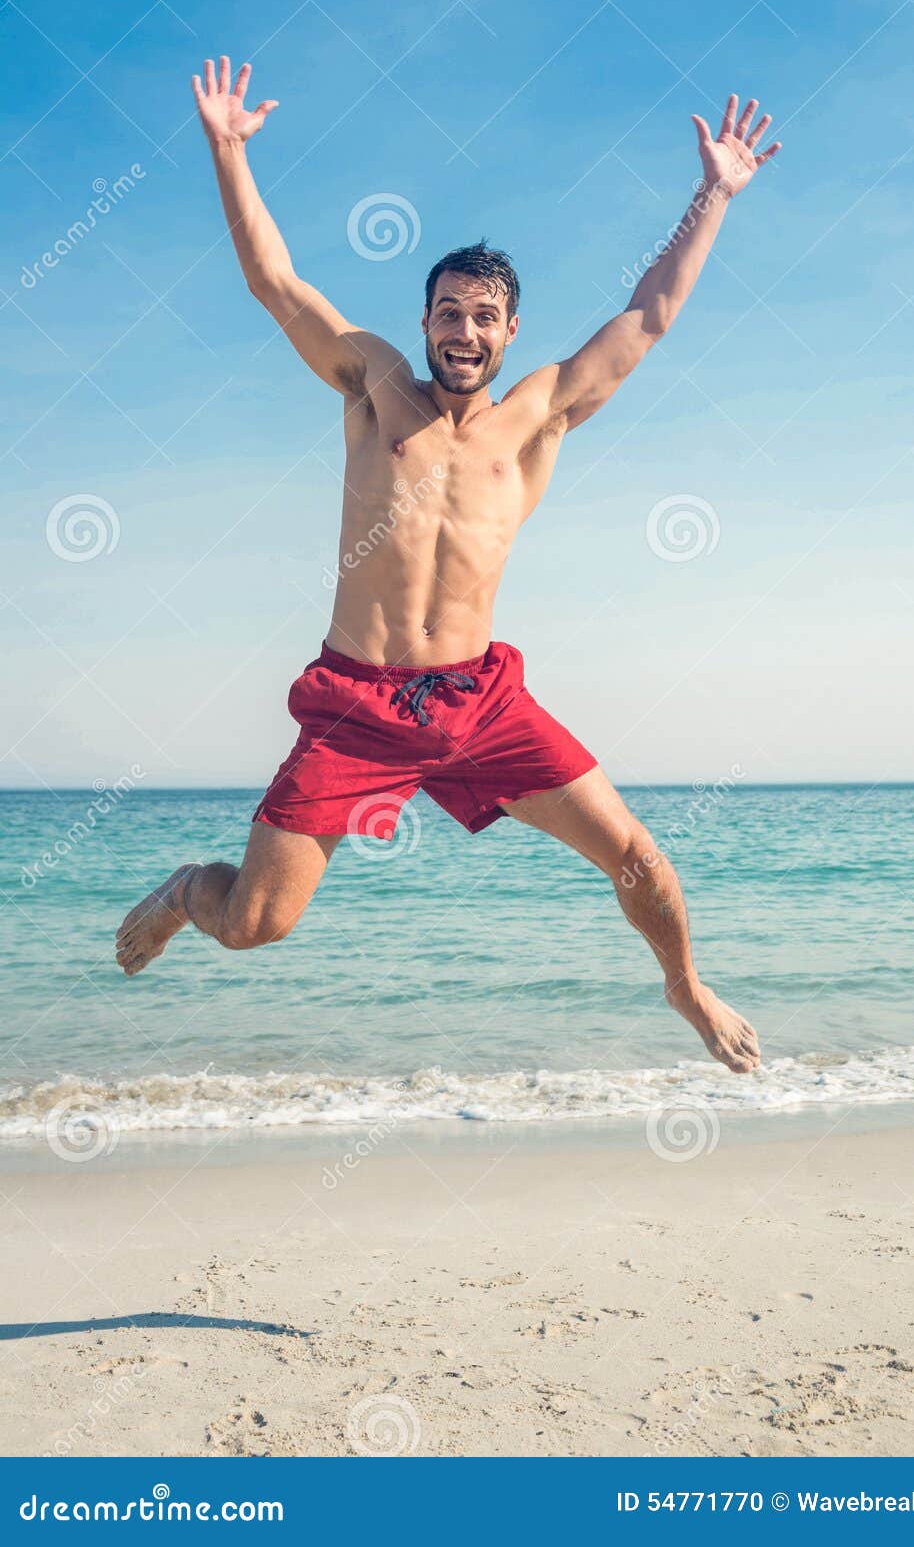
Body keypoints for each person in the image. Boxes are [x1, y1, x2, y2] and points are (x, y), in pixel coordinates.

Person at [116, 56, 781, 1076]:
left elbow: (648, 315)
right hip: (357, 702)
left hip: (476, 700)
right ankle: (179, 892)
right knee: (254, 922)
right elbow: (273, 282)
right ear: (422, 320)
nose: (461, 331)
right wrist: (227, 150)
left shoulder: (540, 412)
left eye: (482, 316)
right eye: (446, 312)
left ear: (508, 331)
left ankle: (685, 987)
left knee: (641, 857)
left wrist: (712, 195)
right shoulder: (373, 384)